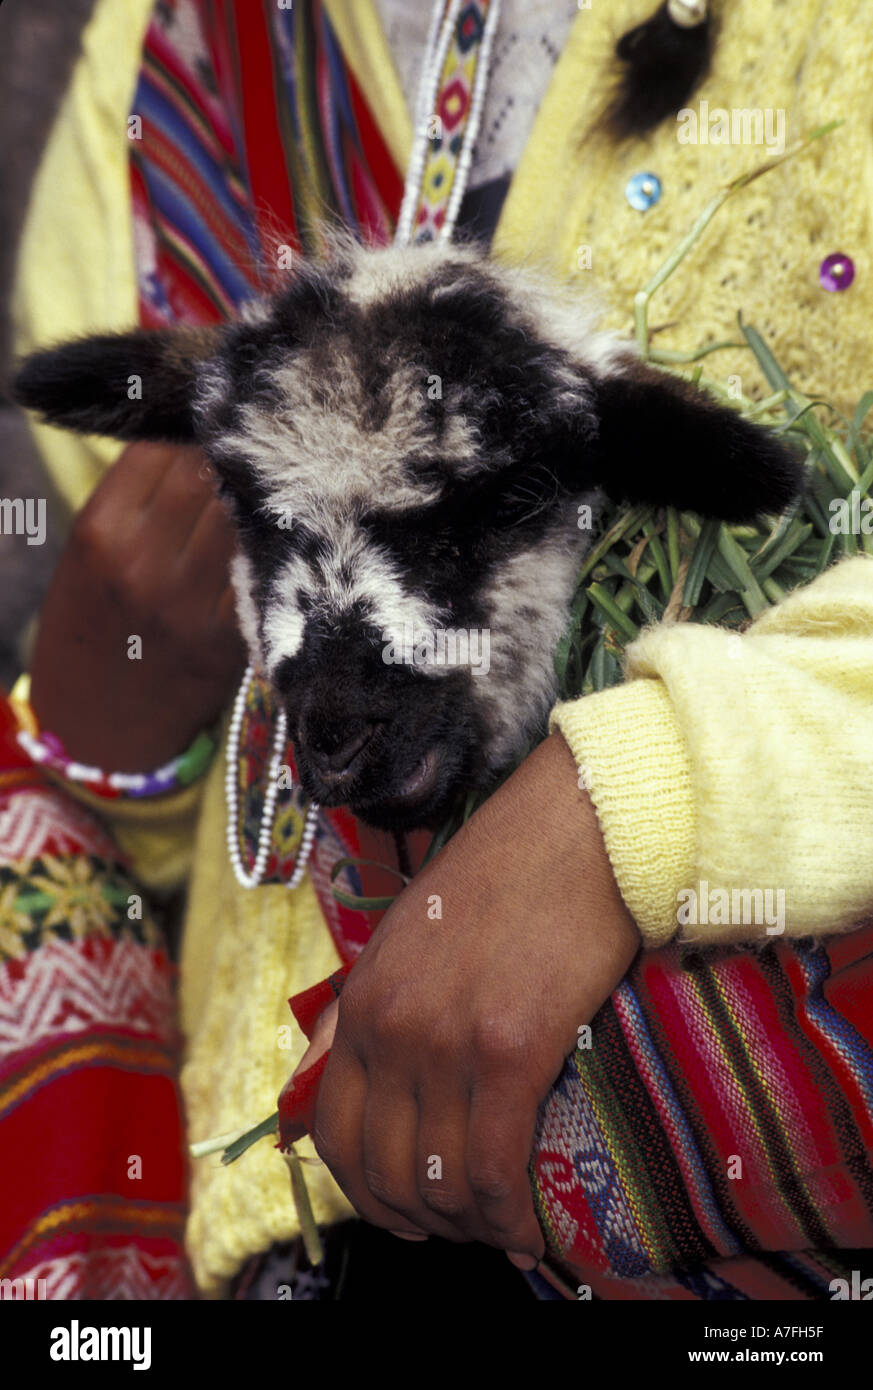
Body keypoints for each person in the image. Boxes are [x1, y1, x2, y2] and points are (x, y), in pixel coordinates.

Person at [8, 0, 873, 1299]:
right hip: (286, 1229)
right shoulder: (181, 65)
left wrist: (642, 795)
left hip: (734, 1218)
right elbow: (189, 824)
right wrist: (98, 715)